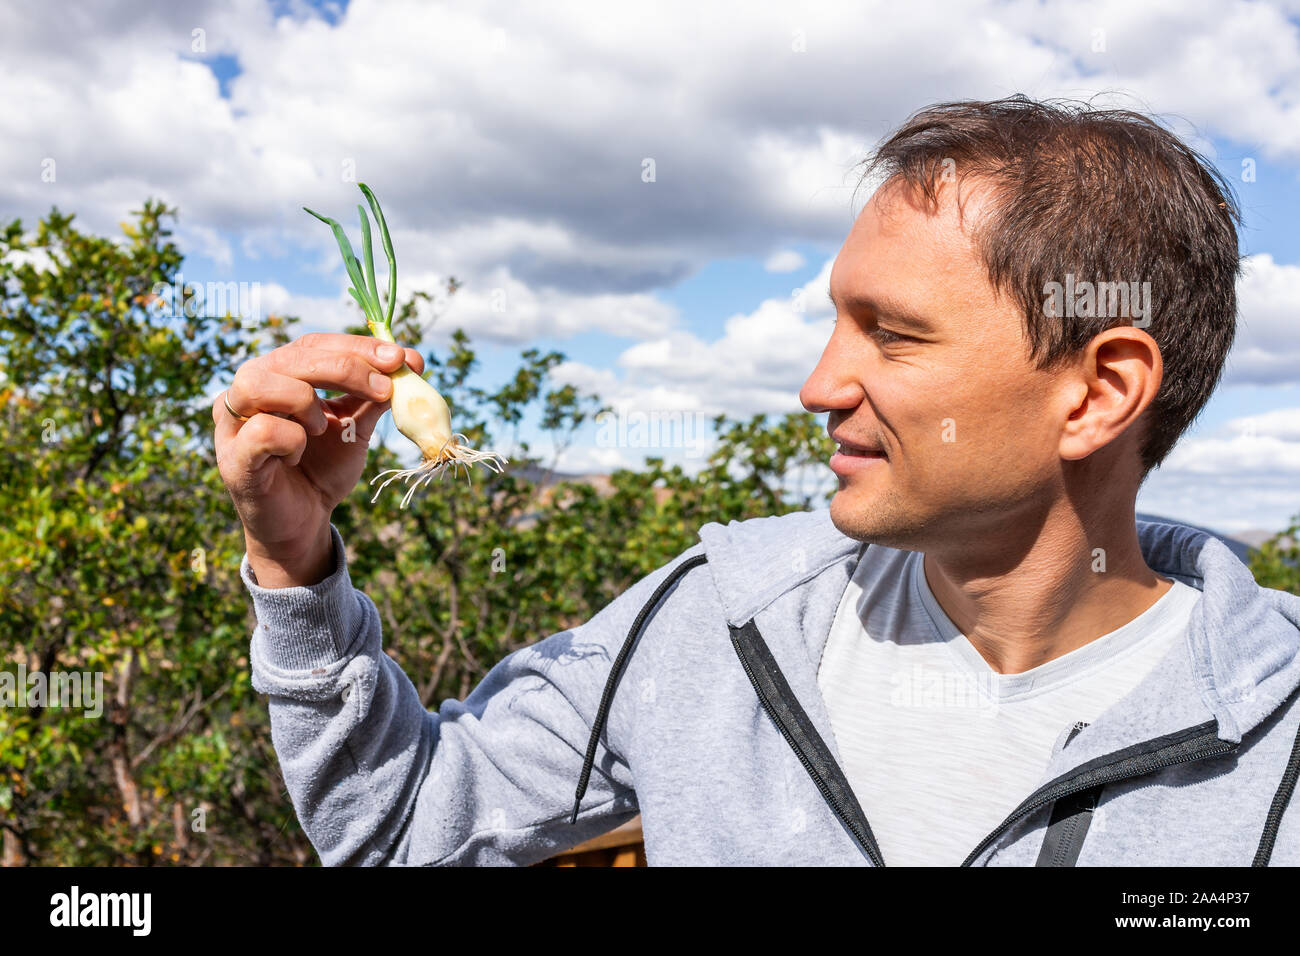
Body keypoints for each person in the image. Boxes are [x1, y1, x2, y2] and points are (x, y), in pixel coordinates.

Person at [213, 96, 1300, 866]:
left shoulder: (1274, 737)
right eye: (836, 321)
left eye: (895, 335)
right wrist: (294, 564)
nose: (818, 384)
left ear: (1099, 392)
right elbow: (404, 826)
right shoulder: (710, 621)